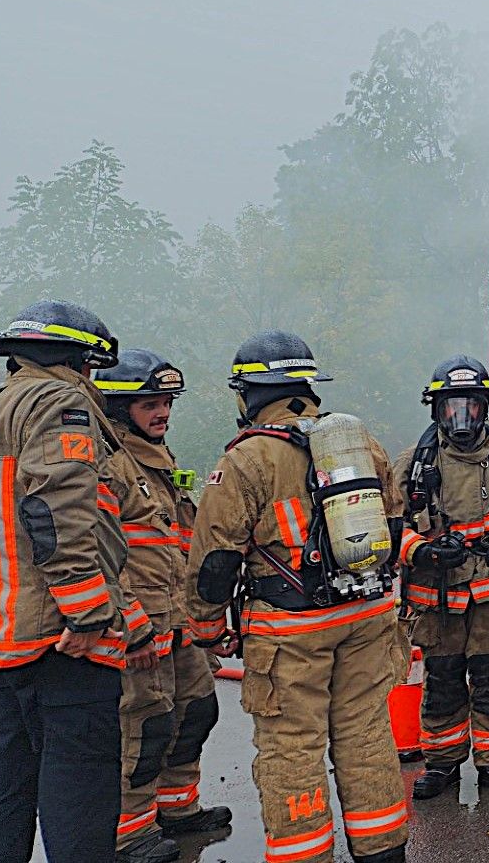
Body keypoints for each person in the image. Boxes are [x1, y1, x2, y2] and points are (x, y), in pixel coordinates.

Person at [0, 300, 156, 863]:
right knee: (79, 807)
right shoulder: (61, 405)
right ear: (80, 361)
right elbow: (57, 511)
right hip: (61, 650)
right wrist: (87, 613)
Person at [186, 331, 409, 863]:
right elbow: (397, 524)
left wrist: (206, 628)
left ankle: (304, 854)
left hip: (292, 634)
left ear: (249, 395)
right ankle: (383, 851)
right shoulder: (361, 443)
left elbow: (214, 562)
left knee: (292, 749)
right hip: (367, 616)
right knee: (366, 736)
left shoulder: (246, 459)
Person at [96, 349, 231, 861]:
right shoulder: (108, 465)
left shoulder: (157, 459)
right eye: (150, 403)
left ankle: (179, 808)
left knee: (198, 710)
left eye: (167, 401)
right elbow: (98, 554)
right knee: (145, 729)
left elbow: (176, 542)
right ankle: (129, 833)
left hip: (177, 622)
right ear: (116, 405)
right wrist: (129, 625)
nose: (163, 412)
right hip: (138, 628)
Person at [397, 356, 489, 799]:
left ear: (485, 408)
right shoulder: (414, 462)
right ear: (436, 409)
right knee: (442, 681)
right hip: (438, 599)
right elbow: (389, 526)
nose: (461, 417)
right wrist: (423, 550)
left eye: (471, 406)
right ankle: (442, 765)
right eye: (451, 407)